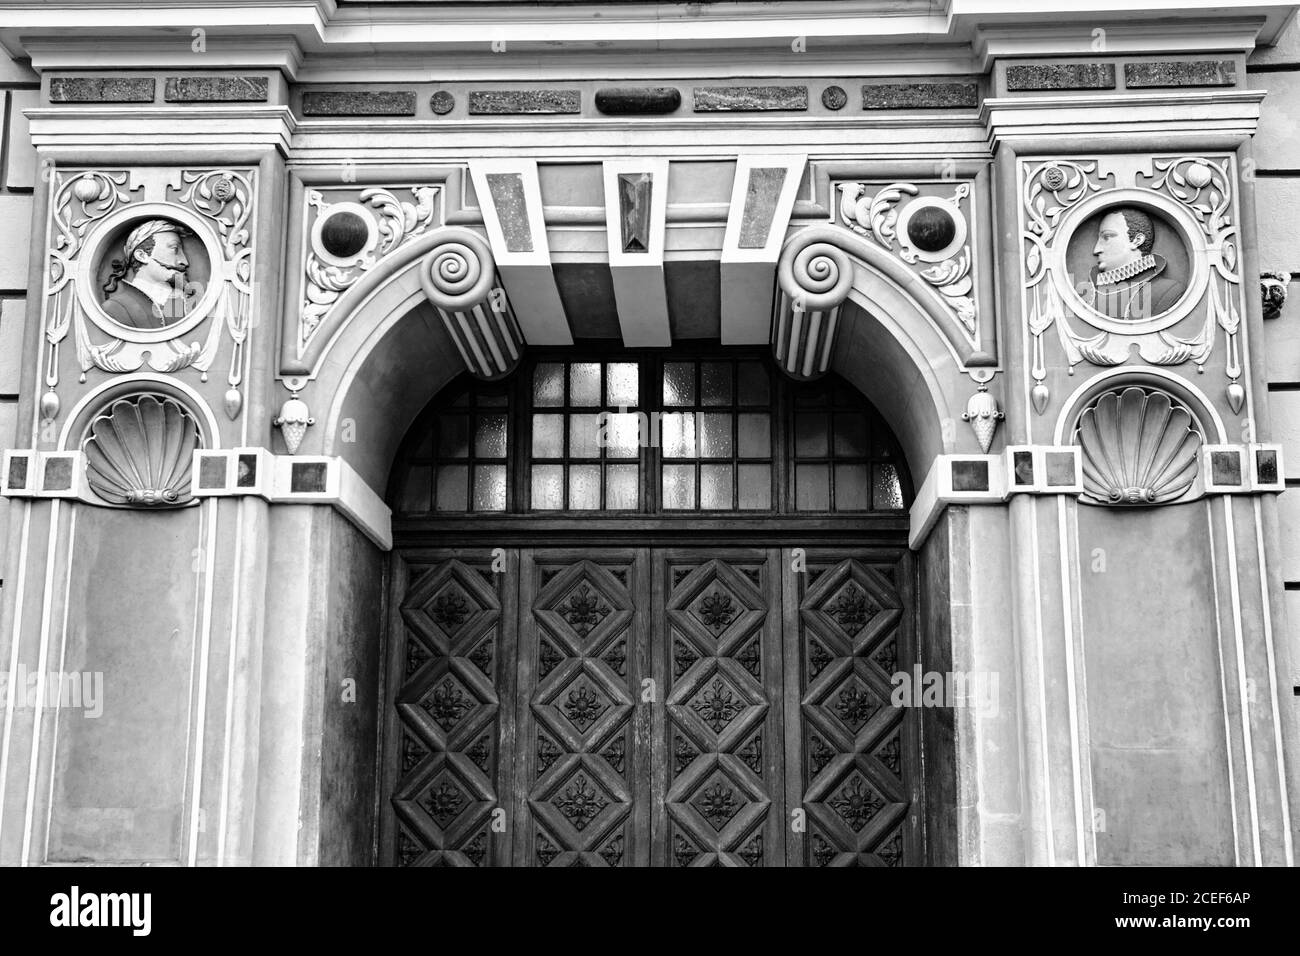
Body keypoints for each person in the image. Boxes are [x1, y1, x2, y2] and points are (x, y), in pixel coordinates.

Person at [1079, 207, 1183, 321]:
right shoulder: (1087, 294)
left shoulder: (1168, 292)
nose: (1096, 249)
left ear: (1136, 241)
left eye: (1107, 237)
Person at [100, 219, 198, 329]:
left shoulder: (189, 304)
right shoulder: (114, 308)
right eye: (174, 249)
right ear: (142, 256)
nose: (184, 262)